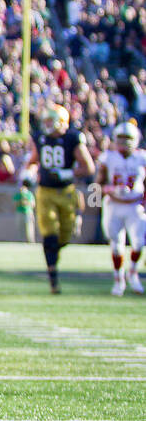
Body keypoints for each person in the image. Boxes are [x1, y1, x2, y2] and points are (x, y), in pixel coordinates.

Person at [24, 103, 94, 293]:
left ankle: (54, 257)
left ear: (61, 122)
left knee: (64, 237)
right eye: (45, 120)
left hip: (66, 192)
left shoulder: (72, 138)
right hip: (45, 192)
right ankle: (53, 277)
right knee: (50, 236)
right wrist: (28, 173)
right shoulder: (40, 138)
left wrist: (67, 173)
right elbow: (33, 161)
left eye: (49, 120)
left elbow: (89, 167)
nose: (46, 124)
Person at [96, 121, 146, 295]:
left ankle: (133, 273)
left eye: (128, 139)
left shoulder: (142, 158)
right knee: (116, 246)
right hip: (114, 204)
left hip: (135, 205)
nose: (124, 143)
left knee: (139, 243)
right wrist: (110, 189)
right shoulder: (108, 157)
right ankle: (119, 279)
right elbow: (98, 184)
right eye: (121, 139)